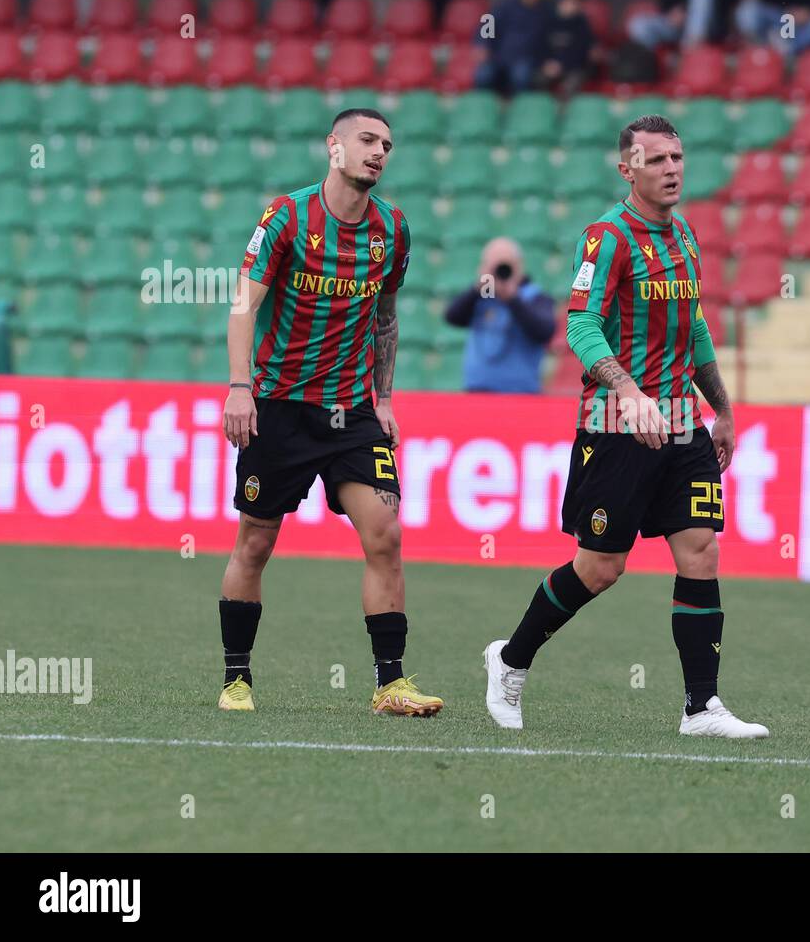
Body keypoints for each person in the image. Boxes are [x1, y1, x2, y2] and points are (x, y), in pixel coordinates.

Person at [481, 115, 769, 739]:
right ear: (628, 168)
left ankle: (702, 707)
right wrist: (630, 391)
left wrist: (721, 410)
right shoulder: (606, 238)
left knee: (700, 549)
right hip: (617, 424)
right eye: (657, 160)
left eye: (678, 158)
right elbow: (580, 326)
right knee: (601, 568)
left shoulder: (685, 237)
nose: (671, 169)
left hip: (683, 427)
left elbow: (693, 331)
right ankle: (510, 660)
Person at [217, 108, 444, 718]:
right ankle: (237, 679)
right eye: (367, 140)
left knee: (386, 534)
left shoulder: (393, 230)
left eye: (387, 145)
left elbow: (386, 318)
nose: (378, 152)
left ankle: (390, 684)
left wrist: (385, 397)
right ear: (334, 147)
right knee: (257, 543)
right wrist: (241, 388)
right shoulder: (286, 216)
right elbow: (244, 305)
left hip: (350, 411)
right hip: (280, 406)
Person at [443, 237, 556, 394]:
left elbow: (545, 331)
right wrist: (479, 285)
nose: (500, 273)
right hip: (478, 391)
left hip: (521, 395)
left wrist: (513, 299)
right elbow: (452, 316)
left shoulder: (534, 297)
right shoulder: (480, 297)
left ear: (519, 266)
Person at [473, 0, 553, 96]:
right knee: (483, 76)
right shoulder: (505, 6)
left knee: (520, 77)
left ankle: (519, 110)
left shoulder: (546, 12)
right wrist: (482, 45)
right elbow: (488, 25)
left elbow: (551, 39)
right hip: (497, 56)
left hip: (526, 59)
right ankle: (483, 108)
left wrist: (549, 59)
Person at [627, 0, 738, 49]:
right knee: (638, 24)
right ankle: (650, 63)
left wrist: (686, 10)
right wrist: (671, 13)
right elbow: (664, 1)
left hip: (709, 28)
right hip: (677, 27)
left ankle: (691, 50)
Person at [537, 0, 595, 97]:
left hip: (572, 67)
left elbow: (581, 52)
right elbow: (539, 47)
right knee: (537, 80)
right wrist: (546, 63)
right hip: (548, 65)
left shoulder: (582, 25)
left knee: (571, 84)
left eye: (575, 3)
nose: (572, 6)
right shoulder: (547, 21)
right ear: (560, 3)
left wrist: (562, 65)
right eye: (569, 2)